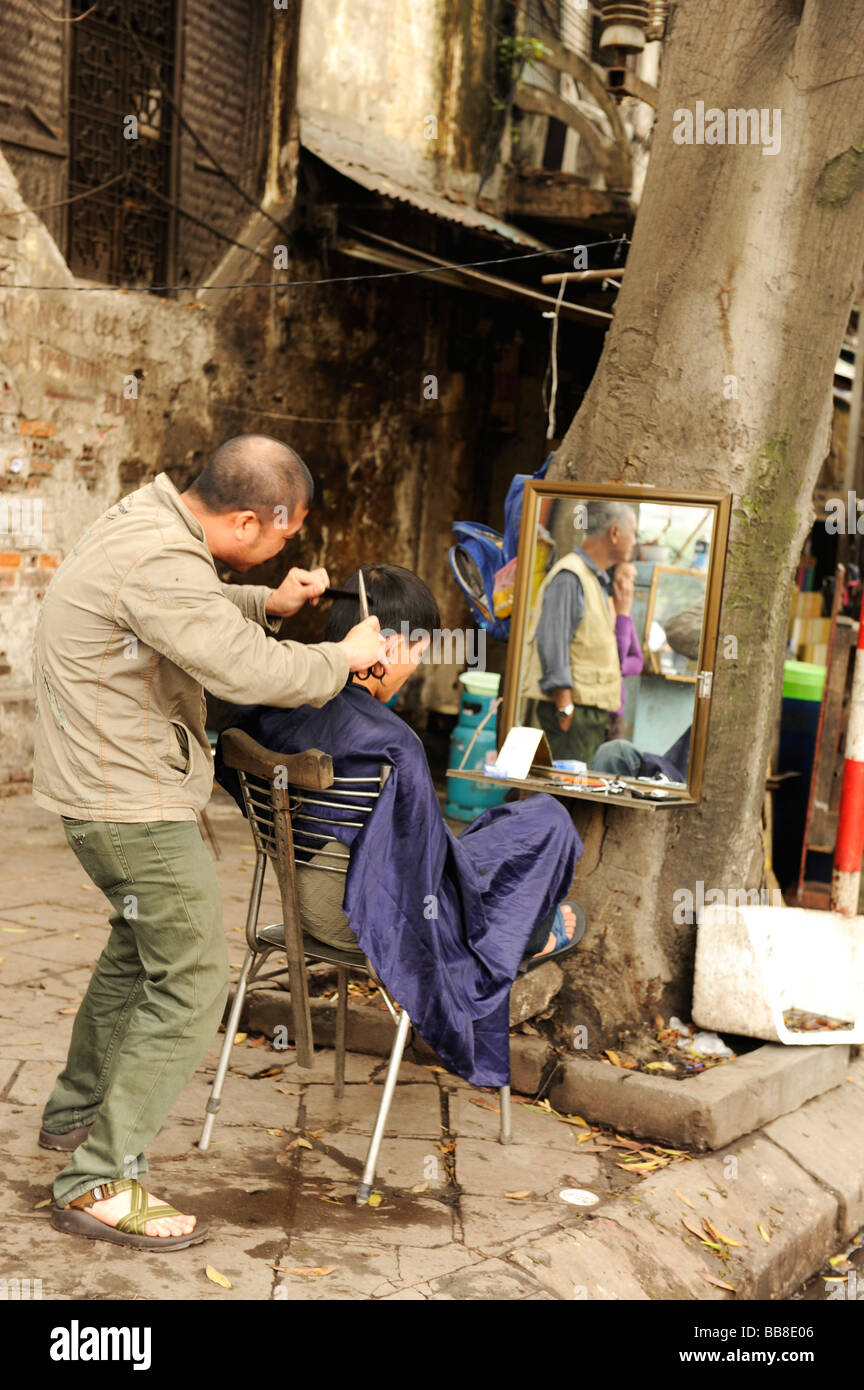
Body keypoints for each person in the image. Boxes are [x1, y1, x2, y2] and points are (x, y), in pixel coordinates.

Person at [33, 435, 387, 1251]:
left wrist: (268, 600)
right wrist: (342, 655)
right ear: (245, 518)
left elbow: (182, 604)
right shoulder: (161, 559)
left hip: (106, 787)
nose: (285, 547)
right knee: (194, 980)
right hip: (129, 803)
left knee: (139, 949)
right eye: (282, 534)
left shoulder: (147, 522)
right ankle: (96, 1181)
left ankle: (74, 1111)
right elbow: (247, 672)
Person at [216, 564, 585, 1089]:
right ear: (386, 647)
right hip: (368, 923)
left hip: (299, 906)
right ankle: (529, 930)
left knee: (495, 832)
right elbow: (423, 881)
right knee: (544, 818)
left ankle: (528, 924)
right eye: (419, 650)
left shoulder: (271, 704)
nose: (415, 665)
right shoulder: (394, 747)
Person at [520, 499, 637, 764]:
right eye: (634, 532)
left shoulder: (593, 578)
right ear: (615, 532)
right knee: (567, 795)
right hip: (573, 715)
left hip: (588, 714)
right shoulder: (569, 577)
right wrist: (565, 707)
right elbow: (552, 642)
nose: (635, 541)